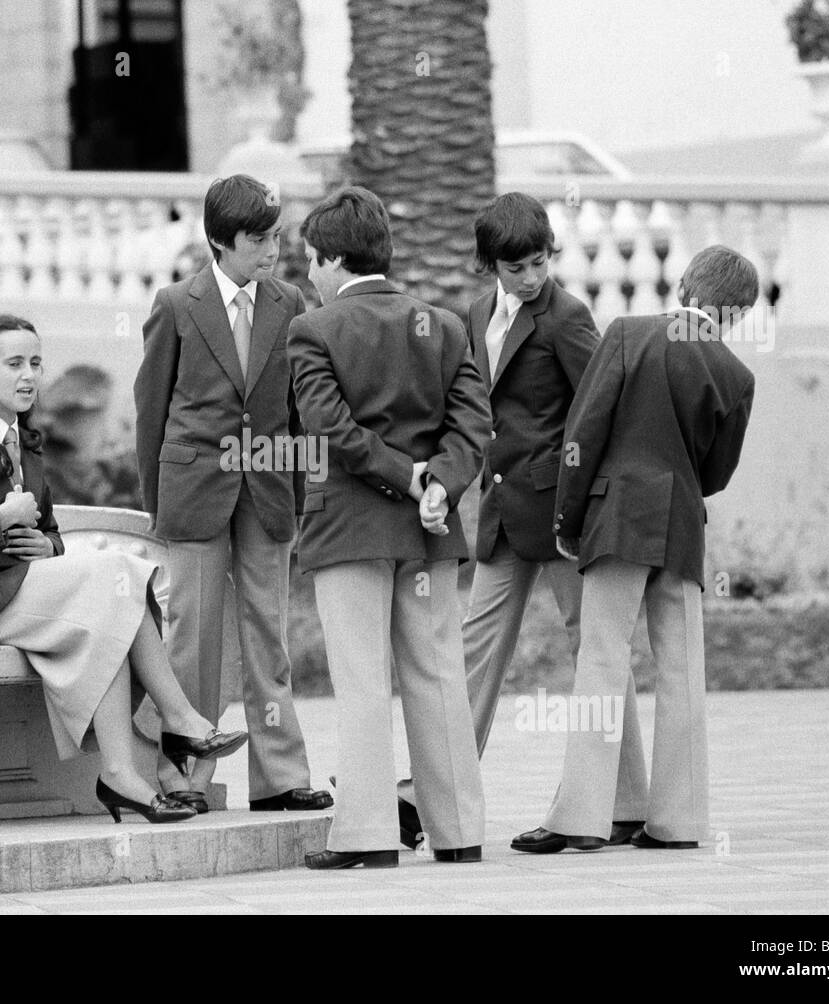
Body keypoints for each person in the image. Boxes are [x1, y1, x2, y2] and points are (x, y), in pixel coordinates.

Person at [0, 314, 247, 825]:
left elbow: (49, 533)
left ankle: (120, 773)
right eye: (14, 363)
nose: (29, 376)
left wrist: (47, 547)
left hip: (24, 589)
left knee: (111, 604)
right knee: (117, 573)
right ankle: (178, 721)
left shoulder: (28, 440)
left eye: (37, 364)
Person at [396, 193, 649, 853]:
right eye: (517, 268)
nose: (531, 278)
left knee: (592, 654)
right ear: (491, 266)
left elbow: (600, 408)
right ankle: (424, 798)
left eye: (539, 263)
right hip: (502, 514)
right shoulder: (475, 314)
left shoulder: (567, 317)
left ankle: (615, 808)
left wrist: (583, 501)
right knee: (471, 654)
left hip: (565, 516)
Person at [515, 246, 757, 851]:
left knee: (601, 662)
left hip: (617, 518)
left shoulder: (628, 334)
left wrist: (568, 517)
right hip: (680, 525)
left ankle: (581, 821)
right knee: (682, 671)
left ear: (683, 286)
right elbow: (717, 473)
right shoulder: (736, 375)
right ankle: (677, 823)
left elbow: (583, 431)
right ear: (739, 312)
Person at [289, 186, 493, 869]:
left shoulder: (313, 330)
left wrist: (408, 479)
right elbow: (473, 425)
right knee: (438, 677)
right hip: (428, 531)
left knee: (363, 680)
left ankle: (368, 836)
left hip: (350, 529)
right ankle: (459, 834)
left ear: (334, 258)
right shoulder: (446, 325)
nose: (309, 276)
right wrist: (439, 483)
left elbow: (330, 429)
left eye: (311, 262)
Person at [134, 175, 331, 814]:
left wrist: (301, 488)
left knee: (268, 634)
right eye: (258, 238)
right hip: (193, 488)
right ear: (220, 240)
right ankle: (183, 780)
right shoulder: (175, 304)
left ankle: (279, 778)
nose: (272, 249)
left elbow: (302, 408)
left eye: (276, 235)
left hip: (270, 485)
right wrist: (157, 504)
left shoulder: (291, 302)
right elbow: (150, 410)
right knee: (192, 636)